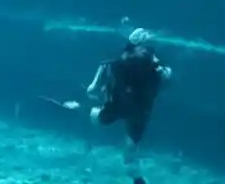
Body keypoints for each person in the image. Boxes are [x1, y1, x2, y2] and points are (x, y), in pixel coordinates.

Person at [57, 28, 173, 184]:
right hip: (128, 105)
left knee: (124, 141)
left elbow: (103, 69)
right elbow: (105, 67)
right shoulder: (128, 60)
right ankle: (80, 108)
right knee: (105, 124)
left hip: (134, 107)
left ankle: (136, 176)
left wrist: (94, 86)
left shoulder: (147, 63)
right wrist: (95, 85)